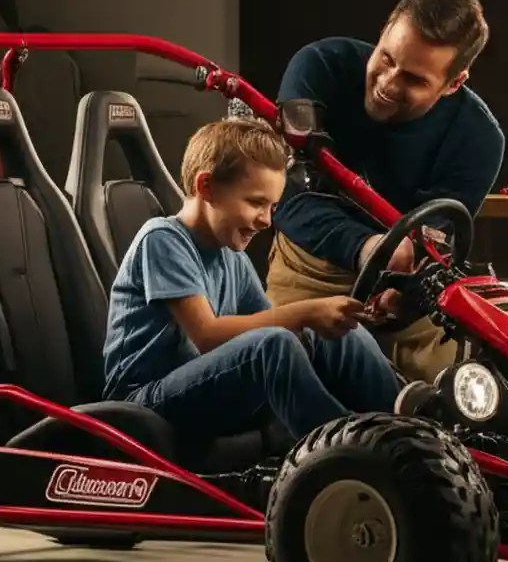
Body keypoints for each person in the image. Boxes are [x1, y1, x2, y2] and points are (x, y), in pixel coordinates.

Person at [266, 0, 508, 386]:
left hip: (406, 294)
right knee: (292, 382)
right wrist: (367, 247)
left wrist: (405, 296)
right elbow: (287, 198)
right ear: (384, 31)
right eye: (386, 58)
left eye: (414, 80)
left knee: (451, 401)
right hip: (308, 273)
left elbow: (435, 240)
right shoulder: (318, 67)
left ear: (454, 83)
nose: (389, 84)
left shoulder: (480, 139)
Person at [101, 117, 402, 441]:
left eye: (273, 206)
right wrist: (307, 311)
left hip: (202, 386)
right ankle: (348, 449)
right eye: (256, 203)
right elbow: (208, 336)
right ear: (207, 187)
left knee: (336, 335)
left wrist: (344, 318)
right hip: (144, 401)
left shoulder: (233, 258)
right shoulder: (161, 239)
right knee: (275, 345)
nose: (266, 220)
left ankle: (401, 426)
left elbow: (274, 324)